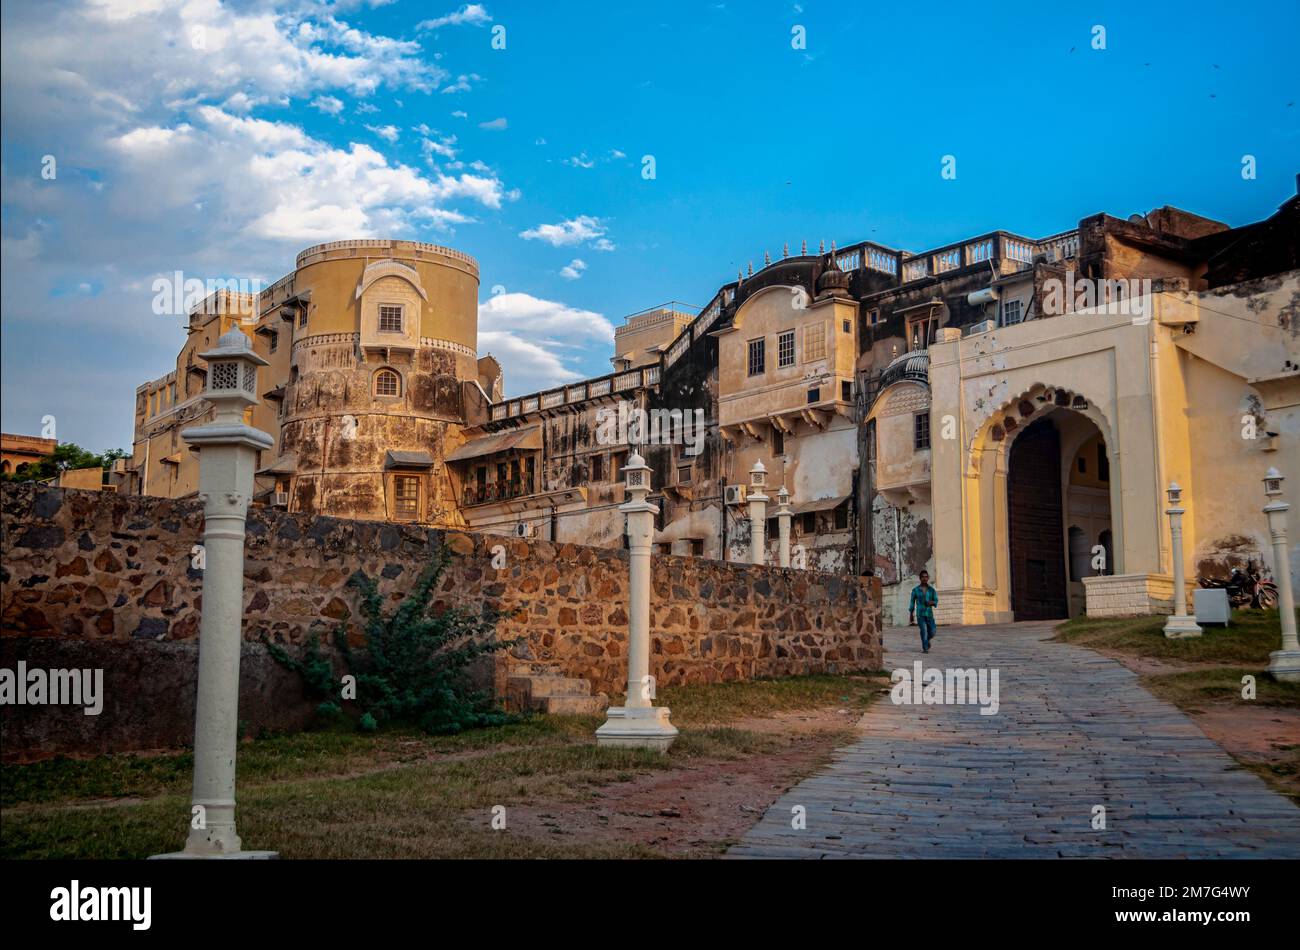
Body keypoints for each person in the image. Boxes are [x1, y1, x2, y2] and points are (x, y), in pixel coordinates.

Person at [908, 571, 938, 653]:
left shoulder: (932, 590)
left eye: (926, 577)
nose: (924, 578)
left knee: (933, 631)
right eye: (923, 577)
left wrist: (931, 602)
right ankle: (925, 648)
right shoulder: (915, 590)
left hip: (929, 614)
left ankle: (927, 640)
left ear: (928, 578)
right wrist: (911, 614)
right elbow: (912, 602)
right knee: (924, 630)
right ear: (920, 578)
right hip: (920, 614)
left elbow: (936, 601)